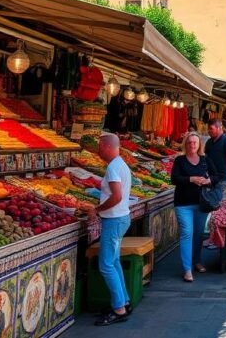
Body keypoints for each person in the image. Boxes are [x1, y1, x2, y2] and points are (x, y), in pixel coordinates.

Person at [93, 133, 133, 326]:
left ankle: (119, 309)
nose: (98, 150)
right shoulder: (121, 164)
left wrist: (97, 209)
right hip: (121, 217)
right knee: (114, 262)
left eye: (100, 146)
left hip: (114, 219)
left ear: (108, 147)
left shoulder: (112, 167)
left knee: (106, 265)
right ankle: (123, 301)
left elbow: (116, 196)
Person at [170, 132, 217, 283]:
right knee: (187, 233)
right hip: (183, 204)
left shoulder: (205, 160)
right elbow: (174, 179)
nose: (192, 145)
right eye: (189, 142)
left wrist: (208, 181)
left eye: (195, 143)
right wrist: (191, 179)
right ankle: (187, 269)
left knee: (198, 235)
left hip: (201, 203)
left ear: (199, 145)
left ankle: (196, 260)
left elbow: (217, 176)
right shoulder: (180, 160)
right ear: (185, 144)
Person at [203, 120, 226, 193]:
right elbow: (205, 157)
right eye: (208, 129)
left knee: (222, 202)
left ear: (219, 128)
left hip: (224, 180)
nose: (208, 131)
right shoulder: (209, 142)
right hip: (211, 178)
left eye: (211, 128)